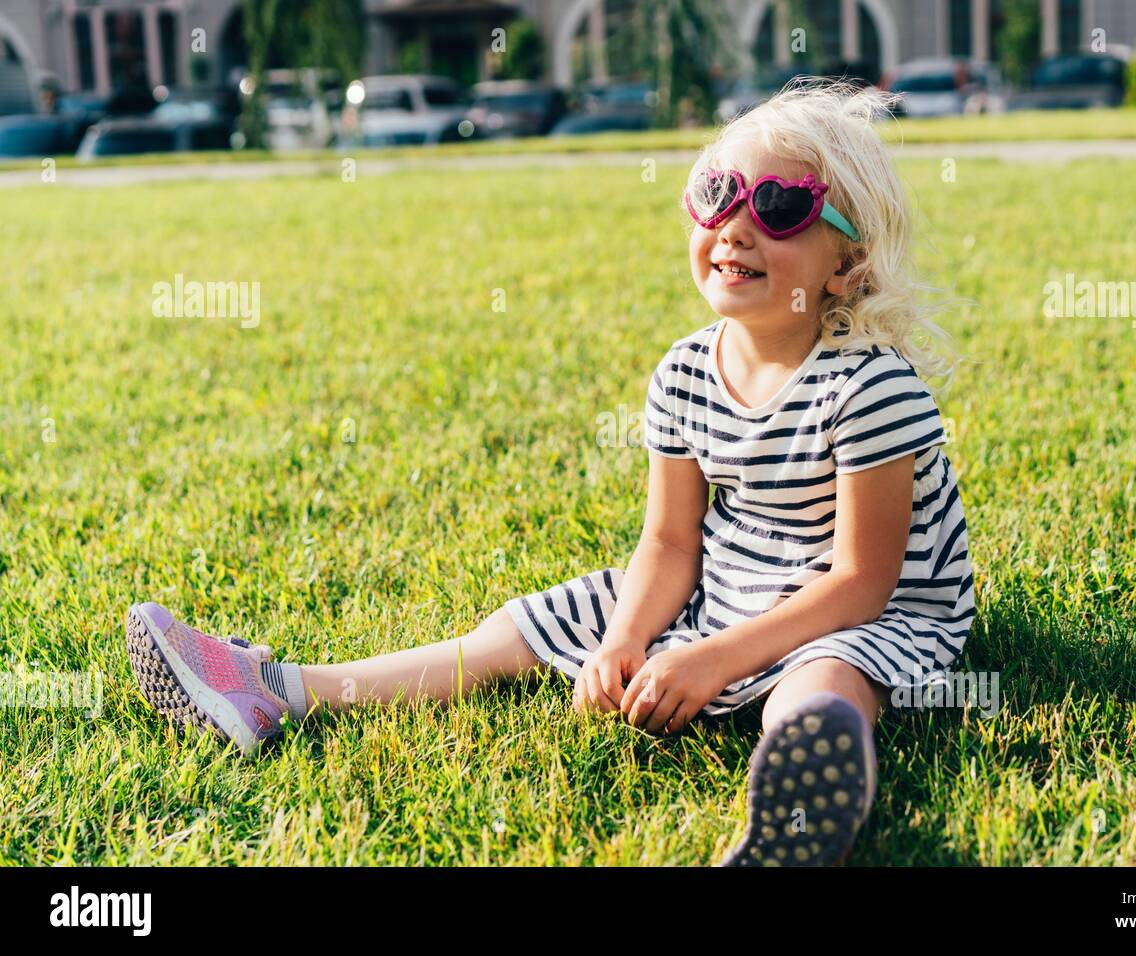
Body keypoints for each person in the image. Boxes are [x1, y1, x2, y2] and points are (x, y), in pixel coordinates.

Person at [126, 78, 975, 867]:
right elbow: (671, 543)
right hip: (734, 579)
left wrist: (712, 659)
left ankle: (799, 806)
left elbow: (863, 582)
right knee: (518, 630)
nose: (736, 227)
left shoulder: (870, 386)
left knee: (825, 676)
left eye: (782, 206)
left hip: (873, 603)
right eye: (717, 194)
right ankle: (280, 690)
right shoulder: (684, 372)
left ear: (847, 263)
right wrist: (625, 639)